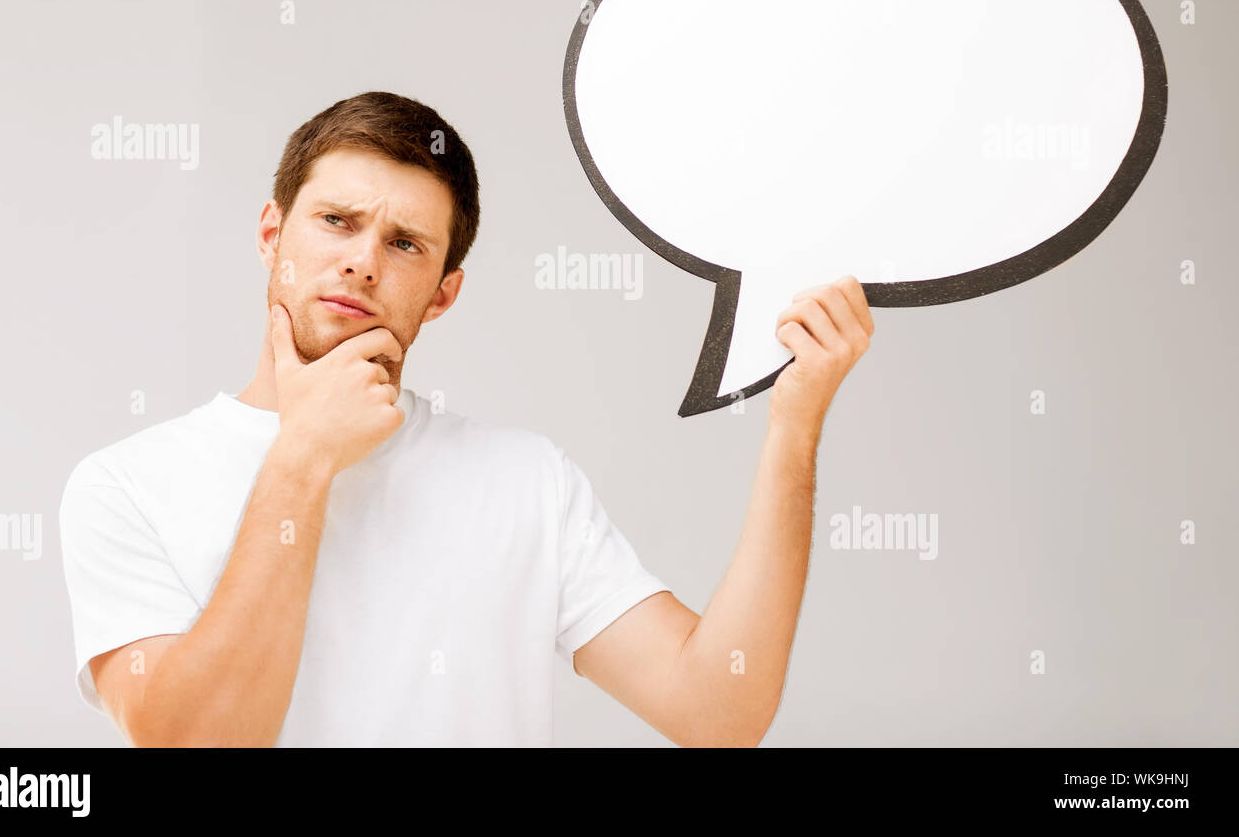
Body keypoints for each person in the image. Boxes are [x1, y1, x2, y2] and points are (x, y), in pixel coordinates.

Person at [58, 90, 874, 747]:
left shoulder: (527, 481)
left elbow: (718, 713)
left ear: (443, 292)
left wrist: (794, 427)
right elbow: (197, 743)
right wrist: (301, 456)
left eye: (405, 242)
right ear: (273, 235)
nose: (362, 259)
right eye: (336, 220)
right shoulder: (123, 487)